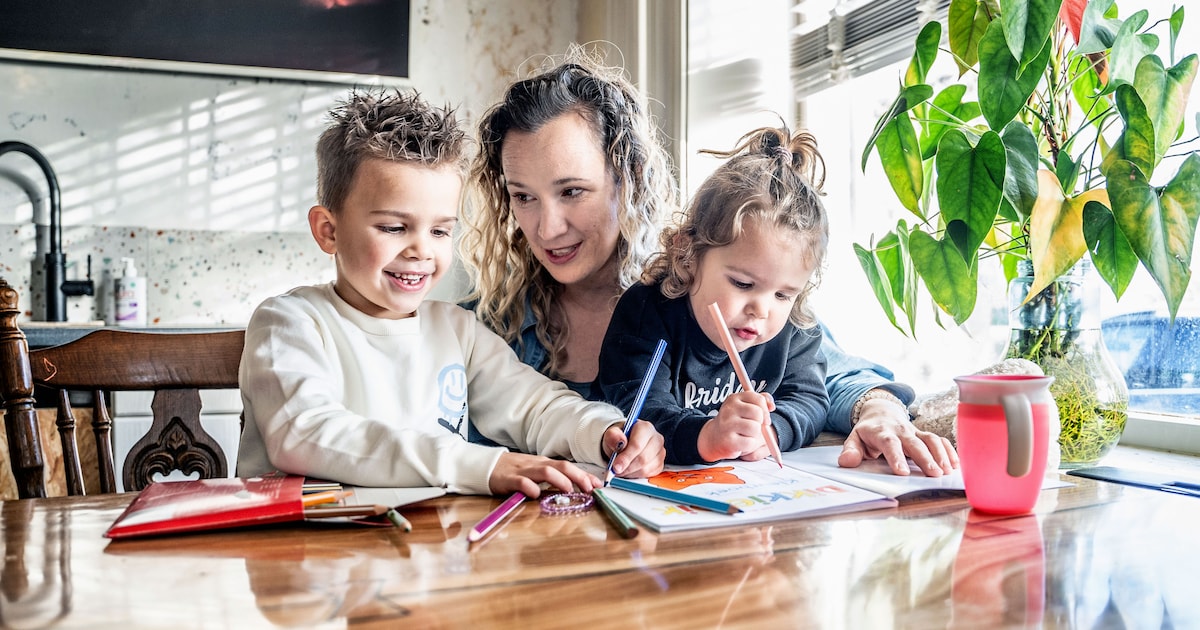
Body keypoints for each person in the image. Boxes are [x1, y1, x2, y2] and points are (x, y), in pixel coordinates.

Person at [460, 48, 955, 476]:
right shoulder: (480, 332)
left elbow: (838, 375)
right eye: (523, 197)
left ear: (628, 176)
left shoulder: (707, 288)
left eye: (572, 191)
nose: (546, 228)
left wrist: (881, 412)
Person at [236, 90, 664, 498]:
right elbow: (305, 432)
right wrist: (485, 466)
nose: (422, 249)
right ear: (328, 231)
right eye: (392, 227)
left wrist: (605, 433)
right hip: (304, 557)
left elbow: (536, 406)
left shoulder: (457, 331)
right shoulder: (289, 322)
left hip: (424, 557)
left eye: (440, 230)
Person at [596, 125, 830, 465]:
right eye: (743, 284)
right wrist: (706, 437)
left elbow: (810, 399)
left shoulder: (795, 329)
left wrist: (771, 432)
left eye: (783, 294)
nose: (761, 309)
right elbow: (638, 410)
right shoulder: (648, 313)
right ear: (688, 254)